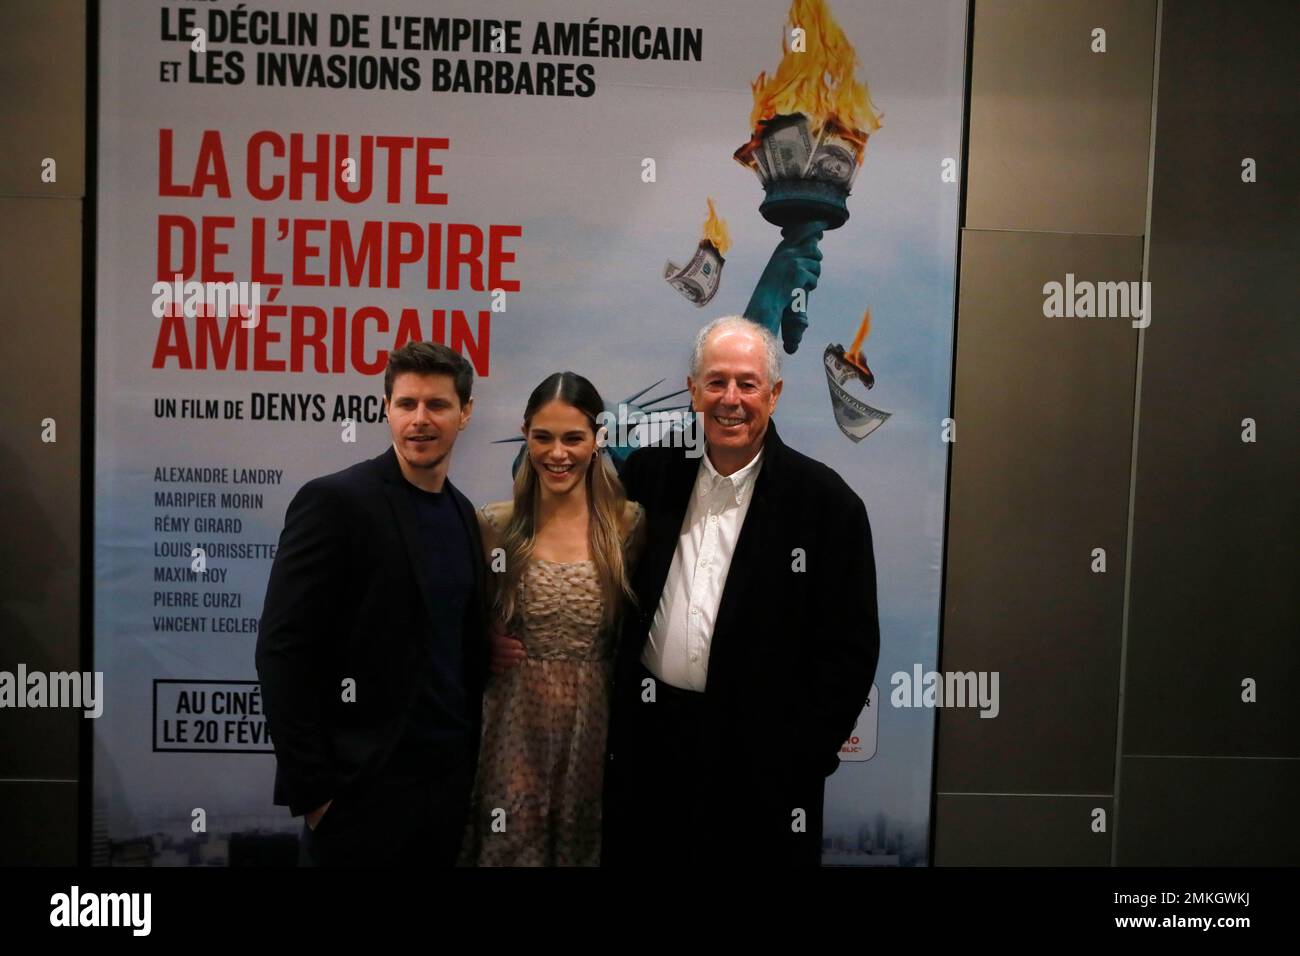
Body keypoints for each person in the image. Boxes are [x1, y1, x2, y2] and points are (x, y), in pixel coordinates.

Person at [601, 315, 880, 866]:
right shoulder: (648, 476)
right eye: (716, 382)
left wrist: (799, 757)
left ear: (773, 395)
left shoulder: (827, 507)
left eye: (747, 384)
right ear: (693, 390)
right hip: (652, 750)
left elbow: (850, 654)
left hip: (761, 770)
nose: (731, 399)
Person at [255, 341, 489, 867]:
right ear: (386, 408)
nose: (420, 420)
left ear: (465, 412)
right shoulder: (336, 502)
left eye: (437, 405)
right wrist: (315, 796)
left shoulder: (464, 515)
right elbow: (280, 650)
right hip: (359, 798)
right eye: (406, 404)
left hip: (446, 792)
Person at [459, 371, 645, 866]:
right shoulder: (494, 524)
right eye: (543, 437)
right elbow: (455, 623)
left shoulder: (629, 526)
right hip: (512, 726)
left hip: (596, 727)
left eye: (572, 438)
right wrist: (484, 641)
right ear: (526, 435)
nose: (557, 453)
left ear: (597, 439)